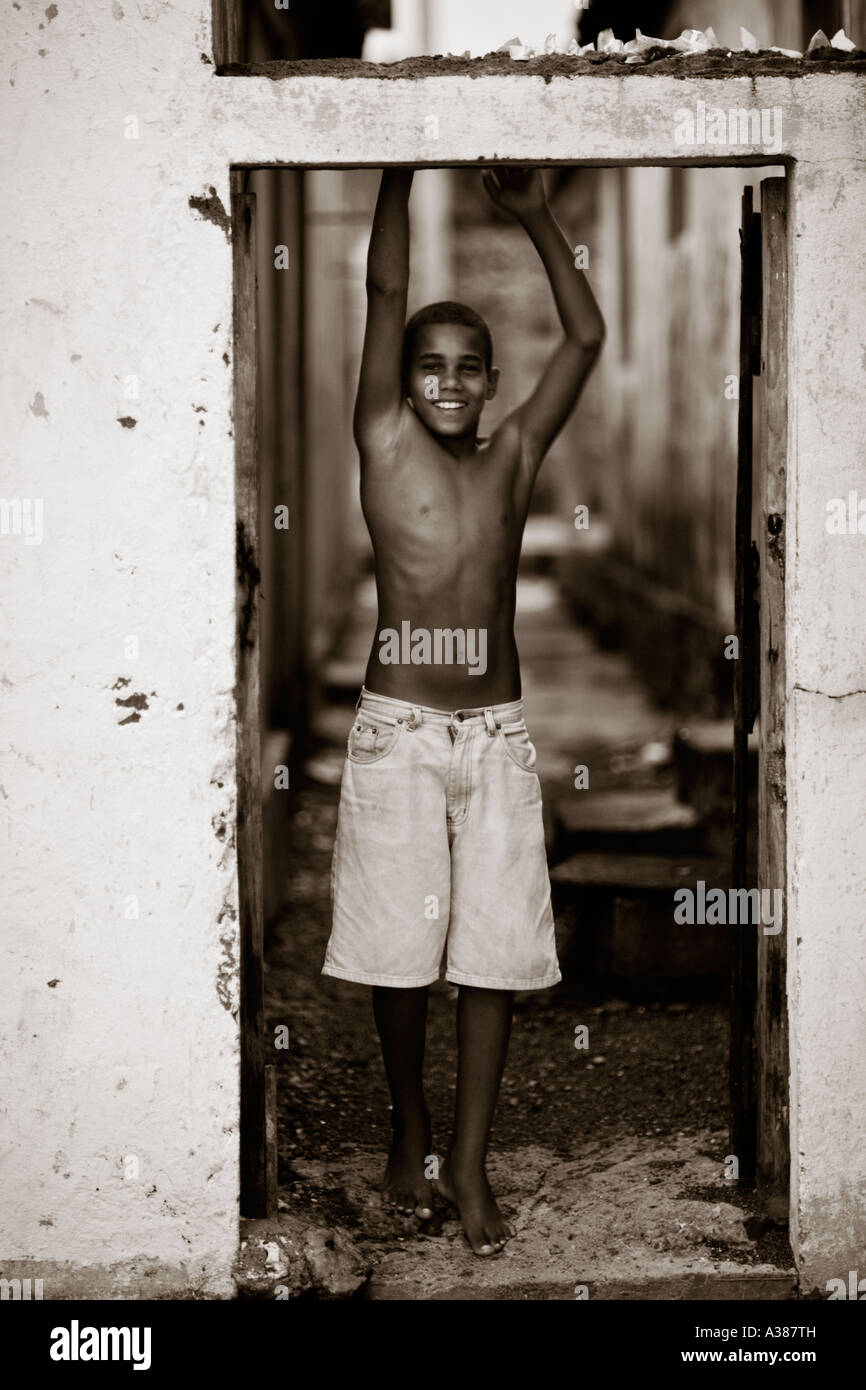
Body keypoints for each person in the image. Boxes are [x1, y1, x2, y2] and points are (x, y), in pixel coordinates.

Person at [323, 166, 605, 1256]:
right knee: (399, 954)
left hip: (491, 740)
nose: (445, 383)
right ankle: (410, 1137)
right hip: (397, 732)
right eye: (426, 368)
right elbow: (383, 286)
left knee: (488, 957)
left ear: (490, 385)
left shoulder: (515, 456)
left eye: (465, 370)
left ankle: (471, 1169)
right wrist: (399, 163)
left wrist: (532, 213)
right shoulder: (381, 443)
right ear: (400, 384)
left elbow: (581, 340)